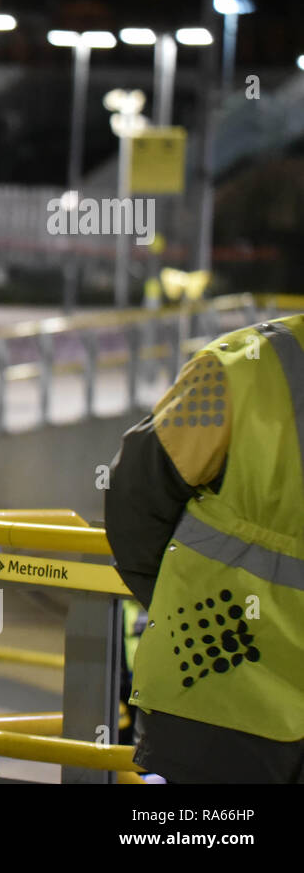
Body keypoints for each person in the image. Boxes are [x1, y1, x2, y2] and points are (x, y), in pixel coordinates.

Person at [105, 313, 304, 783]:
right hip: (221, 689)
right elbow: (137, 495)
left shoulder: (237, 367)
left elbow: (136, 495)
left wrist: (177, 601)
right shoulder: (239, 369)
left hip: (217, 684)